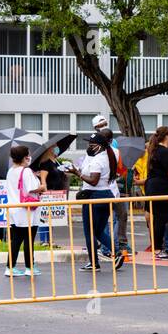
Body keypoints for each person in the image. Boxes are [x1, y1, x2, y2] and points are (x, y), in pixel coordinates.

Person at [66, 132, 121, 272]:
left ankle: (94, 263)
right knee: (97, 231)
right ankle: (117, 253)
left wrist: (76, 173)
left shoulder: (98, 160)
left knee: (89, 231)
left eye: (91, 144)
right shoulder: (106, 157)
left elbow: (94, 181)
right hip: (107, 195)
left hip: (95, 197)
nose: (88, 146)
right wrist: (77, 170)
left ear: (99, 146)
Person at [92, 114, 130, 260]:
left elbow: (121, 168)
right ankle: (109, 247)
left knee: (117, 217)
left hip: (110, 187)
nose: (104, 126)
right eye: (101, 125)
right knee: (105, 219)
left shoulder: (114, 148)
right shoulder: (94, 149)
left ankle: (114, 246)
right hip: (102, 189)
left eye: (105, 123)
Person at [4, 143, 44, 276]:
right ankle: (29, 267)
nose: (30, 157)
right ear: (25, 157)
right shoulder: (26, 171)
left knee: (16, 239)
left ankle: (10, 267)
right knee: (29, 239)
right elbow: (32, 188)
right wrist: (42, 184)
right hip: (27, 210)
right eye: (28, 154)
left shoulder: (10, 171)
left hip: (14, 209)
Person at [144, 125, 168, 261]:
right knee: (161, 218)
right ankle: (159, 248)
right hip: (161, 188)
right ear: (167, 136)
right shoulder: (164, 151)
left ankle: (157, 247)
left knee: (157, 218)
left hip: (152, 187)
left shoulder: (154, 150)